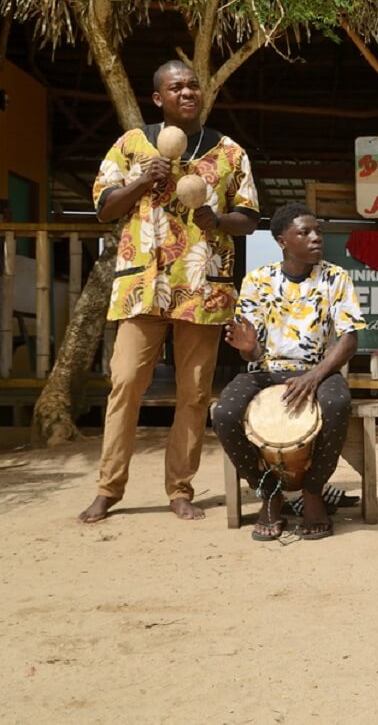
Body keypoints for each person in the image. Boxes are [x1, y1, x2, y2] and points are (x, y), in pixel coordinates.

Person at [79, 60, 259, 523]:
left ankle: (180, 489)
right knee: (125, 383)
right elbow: (102, 208)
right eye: (175, 87)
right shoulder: (131, 145)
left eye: (193, 85)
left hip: (202, 286)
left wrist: (217, 221)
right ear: (157, 98)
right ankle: (108, 488)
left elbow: (250, 217)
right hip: (144, 286)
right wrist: (142, 179)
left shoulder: (229, 151)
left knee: (194, 392)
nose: (187, 92)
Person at [212, 203, 365, 541]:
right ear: (282, 241)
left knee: (337, 405)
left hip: (319, 371)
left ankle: (313, 493)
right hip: (266, 371)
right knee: (223, 413)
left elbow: (349, 340)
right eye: (304, 232)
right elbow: (253, 351)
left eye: (318, 232)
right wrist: (247, 347)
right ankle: (269, 492)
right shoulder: (257, 280)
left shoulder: (336, 278)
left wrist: (314, 377)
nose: (315, 239)